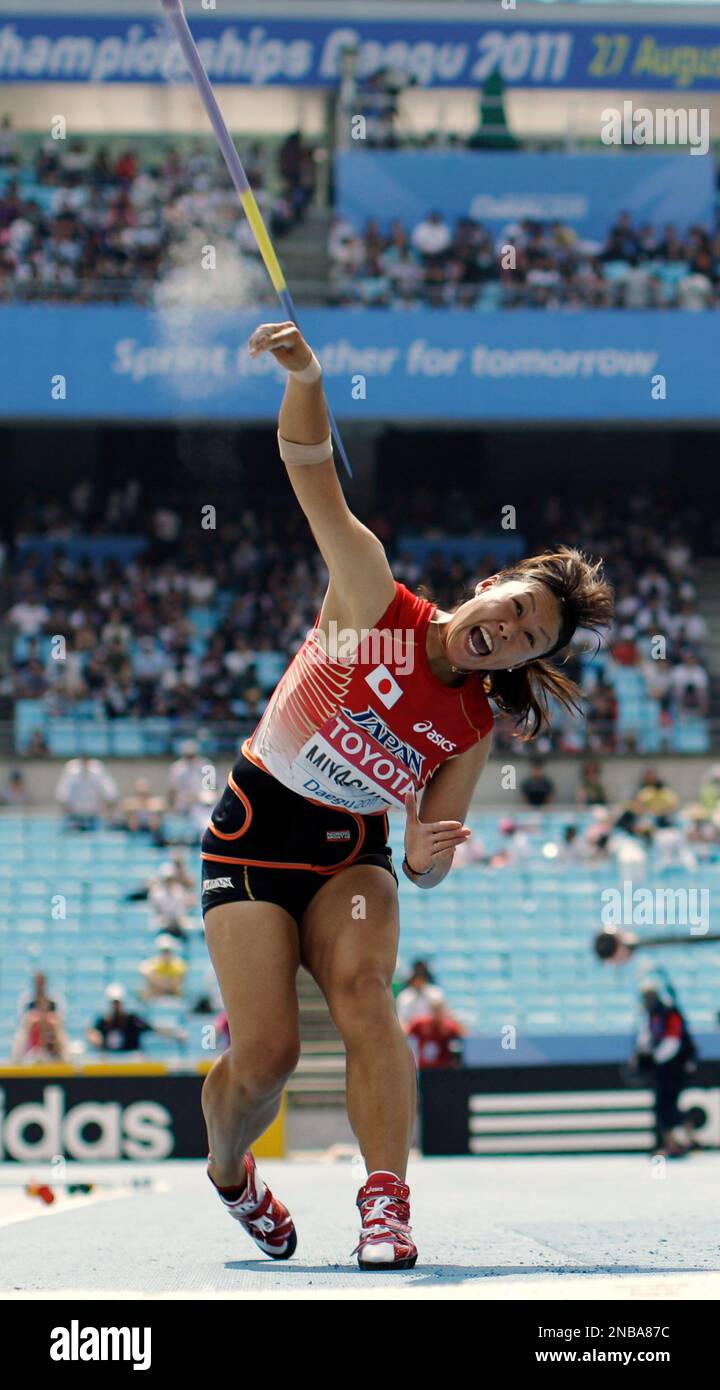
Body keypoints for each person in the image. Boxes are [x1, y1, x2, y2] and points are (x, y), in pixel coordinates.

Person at [198, 317, 613, 1271]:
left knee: (364, 995)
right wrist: (306, 377)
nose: (507, 633)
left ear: (527, 661)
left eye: (528, 640)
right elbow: (310, 467)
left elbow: (429, 854)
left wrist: (425, 860)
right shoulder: (372, 590)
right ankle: (230, 1173)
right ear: (489, 585)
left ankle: (384, 1205)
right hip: (255, 832)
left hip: (350, 854)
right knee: (265, 1061)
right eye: (512, 610)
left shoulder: (471, 726)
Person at [632, 982, 697, 1156]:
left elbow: (672, 1042)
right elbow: (645, 1038)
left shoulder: (669, 1013)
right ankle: (671, 1143)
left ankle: (688, 1139)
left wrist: (654, 1057)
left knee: (670, 1105)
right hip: (662, 1068)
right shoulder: (651, 1015)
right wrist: (641, 1054)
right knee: (663, 1106)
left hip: (674, 1067)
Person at [86, 984, 185, 1054]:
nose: (116, 1006)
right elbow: (92, 1033)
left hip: (131, 1060)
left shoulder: (132, 1020)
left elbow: (153, 1029)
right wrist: (94, 1038)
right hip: (111, 1062)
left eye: (118, 1003)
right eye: (113, 1003)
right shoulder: (103, 1021)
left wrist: (174, 1035)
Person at [55, 756, 118, 830]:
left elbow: (112, 794)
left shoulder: (98, 770)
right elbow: (62, 795)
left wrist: (107, 813)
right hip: (75, 817)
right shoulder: (71, 770)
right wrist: (68, 813)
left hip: (95, 816)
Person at [405, 998, 464, 1070]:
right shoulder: (419, 1023)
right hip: (423, 1068)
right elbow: (405, 1036)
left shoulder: (451, 1027)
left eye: (439, 1010)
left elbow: (464, 1040)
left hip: (443, 1068)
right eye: (435, 1010)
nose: (437, 1013)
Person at [395, 961, 445, 1027]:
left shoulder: (435, 993)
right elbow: (402, 1019)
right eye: (416, 979)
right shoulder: (404, 997)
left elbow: (441, 1015)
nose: (419, 982)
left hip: (432, 1030)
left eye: (421, 979)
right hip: (411, 1031)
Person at [138, 936, 187, 1000]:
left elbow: (177, 983)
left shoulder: (180, 964)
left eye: (168, 951)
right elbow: (146, 972)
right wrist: (167, 982)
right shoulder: (151, 964)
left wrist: (160, 980)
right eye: (164, 951)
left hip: (173, 993)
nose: (166, 954)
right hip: (156, 992)